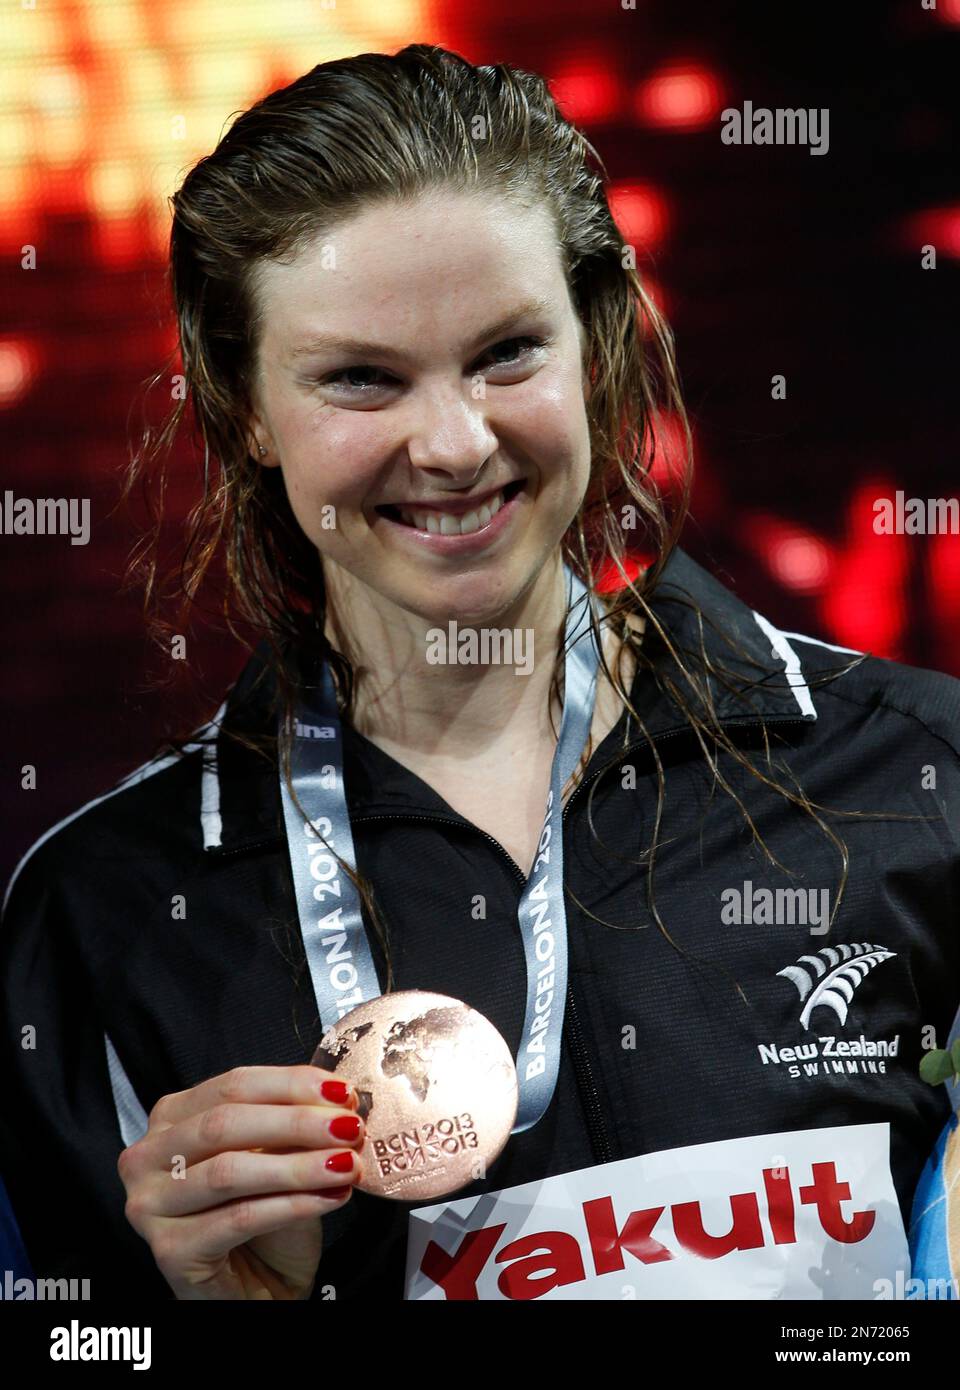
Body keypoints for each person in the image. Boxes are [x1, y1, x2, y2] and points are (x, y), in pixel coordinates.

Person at [1, 43, 958, 1303]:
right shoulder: (102, 916)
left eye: (508, 353)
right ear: (241, 405)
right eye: (361, 378)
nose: (454, 444)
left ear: (597, 344)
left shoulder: (915, 774)